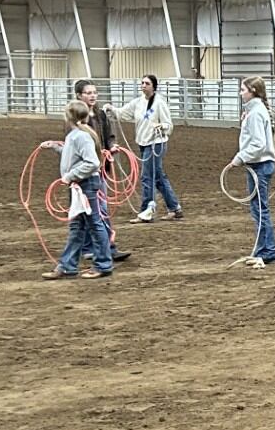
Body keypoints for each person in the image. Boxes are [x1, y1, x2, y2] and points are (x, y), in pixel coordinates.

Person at [44, 101, 115, 280]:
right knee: (79, 225)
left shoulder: (79, 136)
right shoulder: (78, 135)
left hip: (85, 185)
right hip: (81, 186)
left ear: (69, 117)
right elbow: (75, 157)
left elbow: (92, 163)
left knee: (93, 223)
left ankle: (102, 264)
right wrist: (55, 147)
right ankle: (68, 265)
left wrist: (70, 176)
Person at [75, 79, 131, 262]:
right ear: (79, 95)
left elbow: (109, 137)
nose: (92, 96)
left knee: (94, 210)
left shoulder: (100, 115)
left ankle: (95, 248)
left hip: (100, 169)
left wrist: (112, 146)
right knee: (95, 210)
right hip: (87, 171)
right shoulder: (76, 118)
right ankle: (104, 248)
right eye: (88, 93)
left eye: (94, 92)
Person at [117, 75, 181, 223]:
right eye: (142, 83)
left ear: (153, 86)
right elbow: (123, 113)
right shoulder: (138, 102)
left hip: (156, 143)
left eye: (147, 83)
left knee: (147, 176)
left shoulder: (159, 103)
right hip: (143, 142)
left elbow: (168, 125)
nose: (143, 85)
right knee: (158, 176)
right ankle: (174, 207)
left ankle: (147, 209)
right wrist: (110, 110)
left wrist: (162, 127)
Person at [232, 76, 275, 267]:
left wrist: (240, 157)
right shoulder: (255, 111)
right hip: (259, 165)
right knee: (259, 208)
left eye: (243, 89)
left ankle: (268, 250)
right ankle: (265, 248)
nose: (240, 93)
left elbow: (258, 144)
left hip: (259, 165)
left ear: (252, 90)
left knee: (260, 209)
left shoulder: (256, 112)